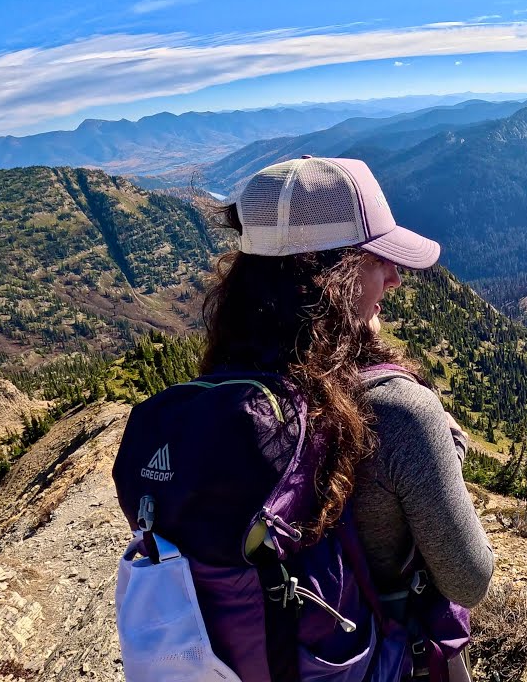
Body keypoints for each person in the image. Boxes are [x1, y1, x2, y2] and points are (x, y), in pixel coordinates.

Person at [116, 155, 493, 681]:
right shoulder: (402, 413)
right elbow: (470, 580)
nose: (394, 277)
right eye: (376, 258)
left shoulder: (228, 394)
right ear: (330, 276)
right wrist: (442, 453)